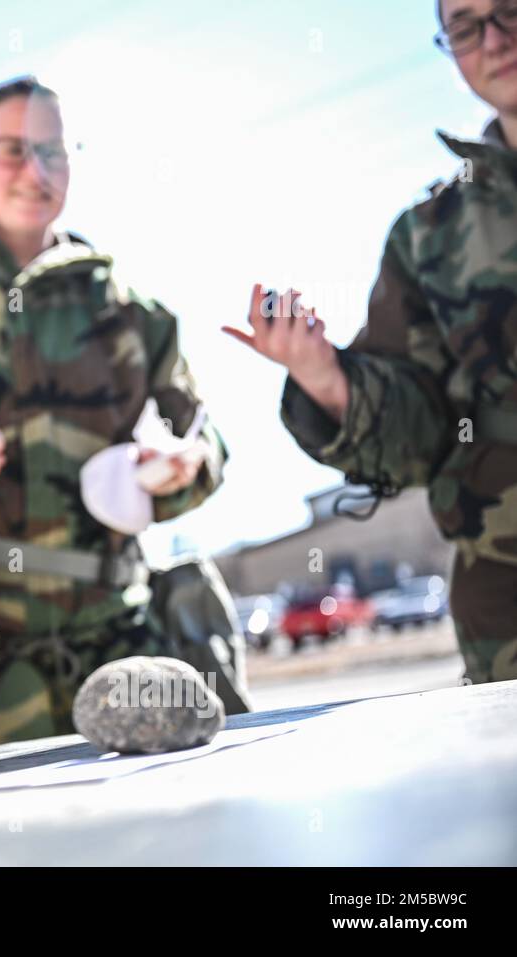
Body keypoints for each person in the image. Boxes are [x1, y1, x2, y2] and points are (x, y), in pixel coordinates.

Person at [0, 77, 239, 749]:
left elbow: (204, 438)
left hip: (122, 650)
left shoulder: (131, 315)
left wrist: (185, 463)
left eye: (53, 151)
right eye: (12, 150)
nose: (34, 172)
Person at [224, 0, 517, 686]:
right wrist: (326, 378)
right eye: (467, 26)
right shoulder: (432, 234)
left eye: (509, 11)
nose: (495, 39)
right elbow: (425, 432)